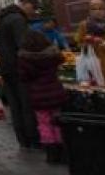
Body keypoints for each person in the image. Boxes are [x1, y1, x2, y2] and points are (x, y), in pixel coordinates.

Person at [0, 0, 40, 148]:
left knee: (15, 106)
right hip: (18, 68)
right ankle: (32, 138)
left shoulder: (4, 18)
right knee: (26, 104)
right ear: (26, 4)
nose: (33, 11)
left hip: (6, 67)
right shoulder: (18, 20)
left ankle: (22, 138)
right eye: (33, 8)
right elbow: (23, 45)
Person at [18, 30, 68, 164]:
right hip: (56, 93)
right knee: (58, 121)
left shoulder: (25, 59)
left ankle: (51, 153)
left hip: (38, 96)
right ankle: (63, 151)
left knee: (44, 123)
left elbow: (23, 77)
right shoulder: (51, 55)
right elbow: (61, 59)